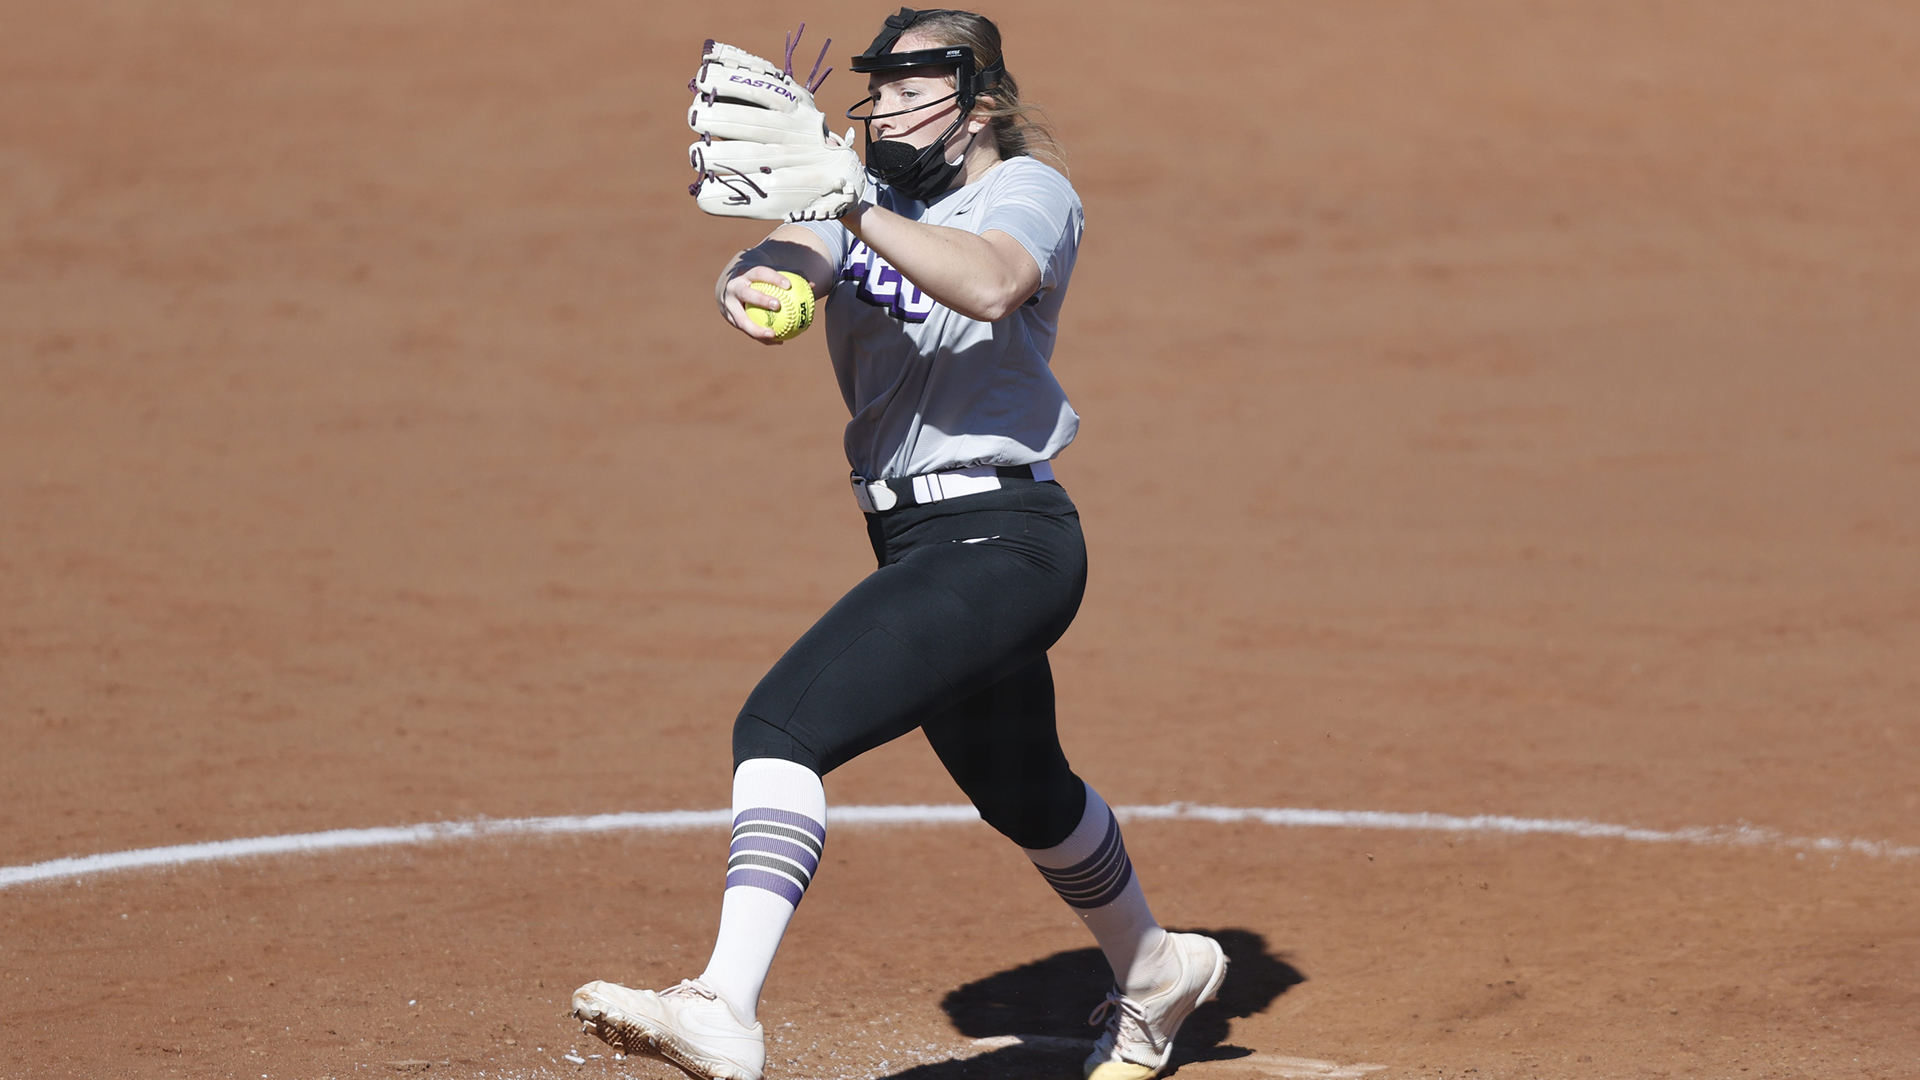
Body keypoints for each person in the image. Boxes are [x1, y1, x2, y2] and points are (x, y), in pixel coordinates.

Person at [572, 10, 1225, 1080]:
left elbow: (990, 282)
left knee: (779, 726)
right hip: (917, 539)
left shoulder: (1023, 195)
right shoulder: (860, 199)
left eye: (920, 80)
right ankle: (1157, 969)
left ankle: (722, 1005)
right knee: (1021, 788)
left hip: (1009, 539)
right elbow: (784, 257)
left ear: (982, 101)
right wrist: (759, 278)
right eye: (880, 82)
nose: (889, 102)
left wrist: (852, 207)